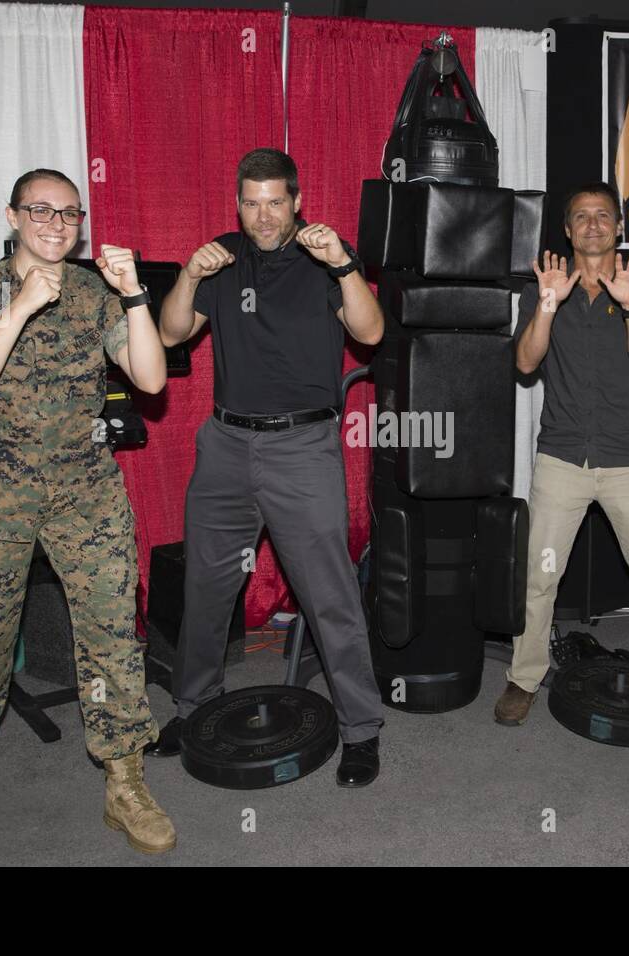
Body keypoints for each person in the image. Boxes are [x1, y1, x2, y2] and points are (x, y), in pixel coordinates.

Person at [0, 168, 174, 852]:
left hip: (82, 486)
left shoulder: (95, 291)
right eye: (40, 210)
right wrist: (20, 307)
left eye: (69, 213)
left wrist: (133, 297)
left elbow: (151, 378)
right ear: (12, 216)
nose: (56, 224)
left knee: (112, 630)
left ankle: (124, 778)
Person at [150, 148, 387, 787]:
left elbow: (370, 332)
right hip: (226, 446)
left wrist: (345, 265)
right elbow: (172, 334)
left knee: (330, 594)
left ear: (297, 200)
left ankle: (361, 730)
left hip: (301, 449)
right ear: (238, 203)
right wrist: (190, 276)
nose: (262, 216)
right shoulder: (222, 259)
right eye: (251, 203)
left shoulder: (324, 258)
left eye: (274, 202)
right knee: (205, 590)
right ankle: (193, 707)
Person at [496, 182, 629, 725]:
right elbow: (524, 364)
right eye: (581, 216)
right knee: (540, 577)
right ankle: (523, 678)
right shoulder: (544, 288)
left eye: (603, 216)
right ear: (567, 230)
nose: (592, 225)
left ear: (619, 228)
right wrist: (546, 305)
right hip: (562, 459)